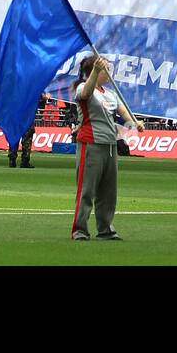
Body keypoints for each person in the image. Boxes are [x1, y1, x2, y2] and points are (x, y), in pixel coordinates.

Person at [71, 55, 142, 241]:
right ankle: (79, 229)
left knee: (108, 192)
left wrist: (134, 123)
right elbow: (85, 95)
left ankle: (106, 228)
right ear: (95, 71)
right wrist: (94, 70)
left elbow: (122, 111)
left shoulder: (110, 93)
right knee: (86, 189)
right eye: (106, 70)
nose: (109, 74)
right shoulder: (82, 87)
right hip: (91, 143)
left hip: (110, 145)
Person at [9, 94, 46, 169]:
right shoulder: (31, 90)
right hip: (27, 118)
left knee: (14, 139)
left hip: (15, 116)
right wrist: (44, 98)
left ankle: (12, 159)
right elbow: (39, 102)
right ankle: (25, 161)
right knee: (27, 139)